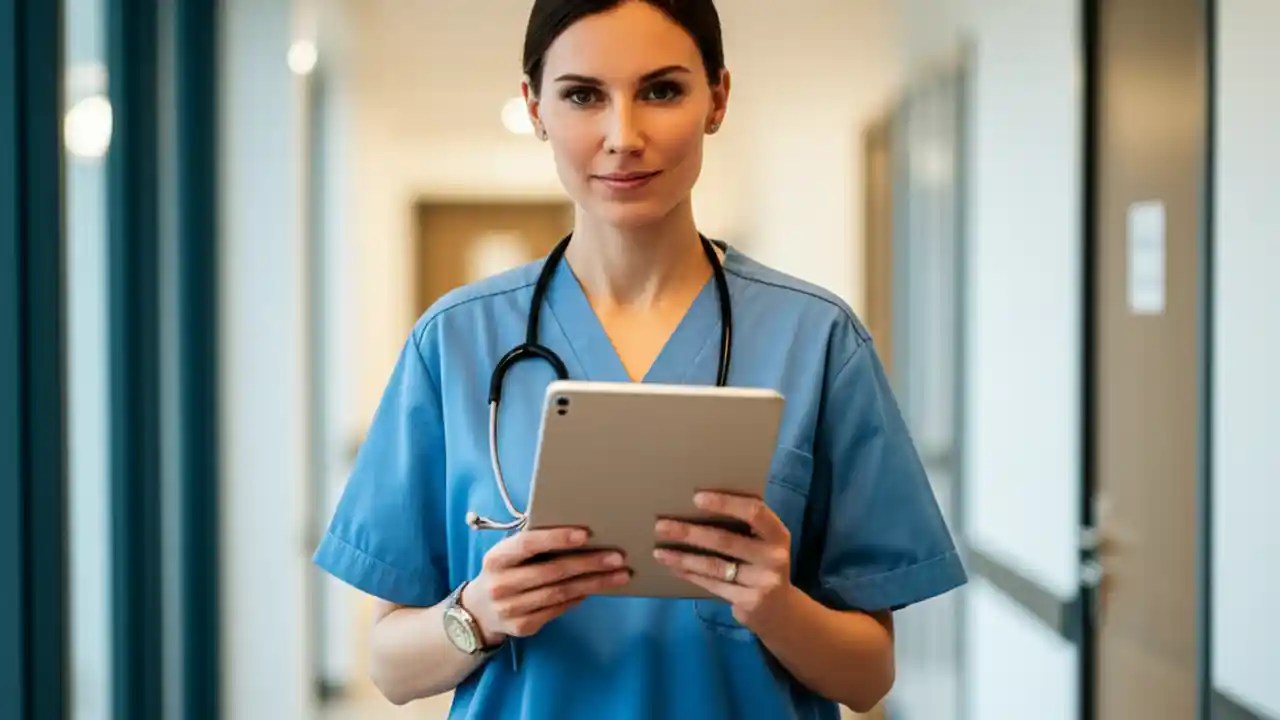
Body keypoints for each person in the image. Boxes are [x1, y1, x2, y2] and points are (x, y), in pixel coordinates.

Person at [312, 0, 966, 717]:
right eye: (583, 95)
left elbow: (868, 675)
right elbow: (393, 669)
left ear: (716, 97)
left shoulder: (817, 341)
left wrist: (775, 605)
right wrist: (482, 610)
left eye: (661, 91)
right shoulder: (455, 342)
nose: (624, 136)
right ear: (535, 108)